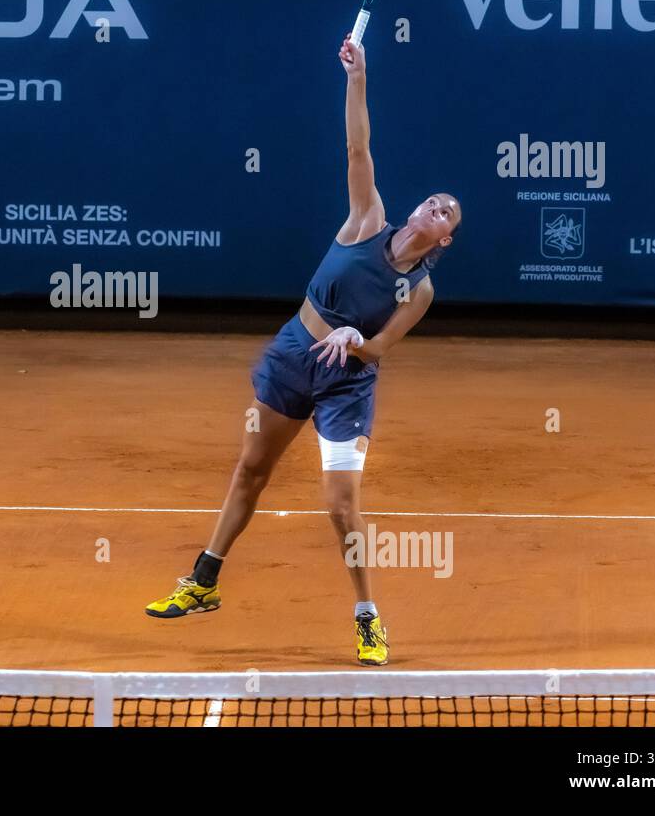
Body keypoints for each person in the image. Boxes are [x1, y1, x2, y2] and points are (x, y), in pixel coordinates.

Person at [144, 34, 462, 666]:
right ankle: (202, 581)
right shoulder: (368, 217)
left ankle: (367, 615)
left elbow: (380, 350)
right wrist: (357, 78)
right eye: (431, 200)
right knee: (251, 470)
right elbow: (358, 145)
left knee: (341, 504)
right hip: (293, 355)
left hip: (348, 383)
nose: (432, 207)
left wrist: (356, 340)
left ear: (445, 239)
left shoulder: (420, 290)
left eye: (445, 213)